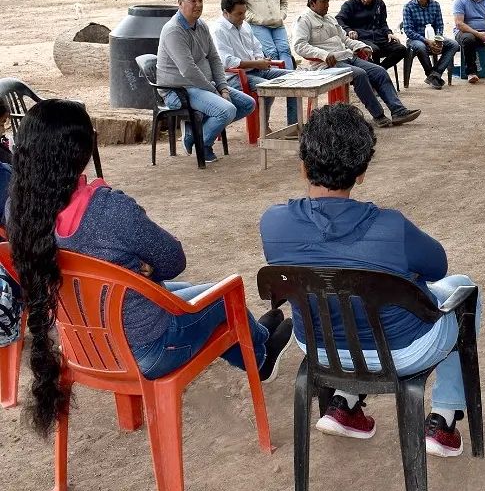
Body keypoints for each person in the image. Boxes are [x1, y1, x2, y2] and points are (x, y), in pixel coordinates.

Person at [5, 100, 293, 438]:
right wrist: (137, 268)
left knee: (189, 289)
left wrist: (132, 270)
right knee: (224, 295)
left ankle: (257, 335)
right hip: (147, 349)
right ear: (80, 151)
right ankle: (260, 357)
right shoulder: (108, 209)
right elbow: (172, 260)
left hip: (82, 343)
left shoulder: (18, 210)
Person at [260, 103, 482, 457]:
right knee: (463, 287)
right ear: (361, 172)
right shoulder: (390, 226)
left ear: (303, 166)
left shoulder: (272, 224)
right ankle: (445, 417)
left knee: (342, 302)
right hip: (403, 353)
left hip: (319, 349)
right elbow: (438, 266)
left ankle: (345, 402)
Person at [292, 0, 420, 129]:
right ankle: (378, 115)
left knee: (379, 71)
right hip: (326, 64)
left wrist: (360, 46)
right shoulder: (304, 20)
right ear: (312, 3)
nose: (327, 5)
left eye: (328, 1)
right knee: (360, 74)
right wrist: (323, 54)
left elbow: (345, 39)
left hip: (346, 57)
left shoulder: (329, 18)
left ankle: (398, 111)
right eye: (323, 2)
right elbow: (299, 46)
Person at [156, 0, 256, 162]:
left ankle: (194, 133)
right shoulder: (173, 30)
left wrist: (223, 88)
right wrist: (215, 91)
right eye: (193, 1)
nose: (198, 5)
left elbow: (215, 58)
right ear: (180, 3)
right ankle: (203, 144)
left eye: (201, 0)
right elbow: (187, 70)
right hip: (179, 90)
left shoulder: (201, 25)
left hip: (203, 86)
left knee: (247, 104)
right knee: (226, 110)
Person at [211, 0, 297, 132]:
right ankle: (262, 125)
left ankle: (294, 124)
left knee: (293, 78)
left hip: (256, 70)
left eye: (244, 13)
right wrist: (256, 63)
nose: (243, 17)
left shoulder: (244, 25)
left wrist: (260, 59)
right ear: (226, 13)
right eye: (239, 14)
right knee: (268, 87)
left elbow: (256, 47)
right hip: (234, 77)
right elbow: (226, 61)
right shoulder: (218, 30)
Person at [336, 0, 408, 72]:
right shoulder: (349, 5)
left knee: (401, 49)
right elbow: (338, 19)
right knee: (374, 50)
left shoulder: (379, 4)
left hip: (379, 37)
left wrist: (388, 32)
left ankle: (379, 71)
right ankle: (377, 74)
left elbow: (383, 23)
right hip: (361, 38)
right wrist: (348, 30)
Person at [401, 0, 459, 89]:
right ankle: (430, 73)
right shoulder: (408, 7)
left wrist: (438, 40)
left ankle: (435, 73)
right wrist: (427, 41)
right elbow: (408, 30)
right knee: (421, 46)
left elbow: (439, 25)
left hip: (433, 37)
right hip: (416, 39)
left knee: (454, 44)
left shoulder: (435, 5)